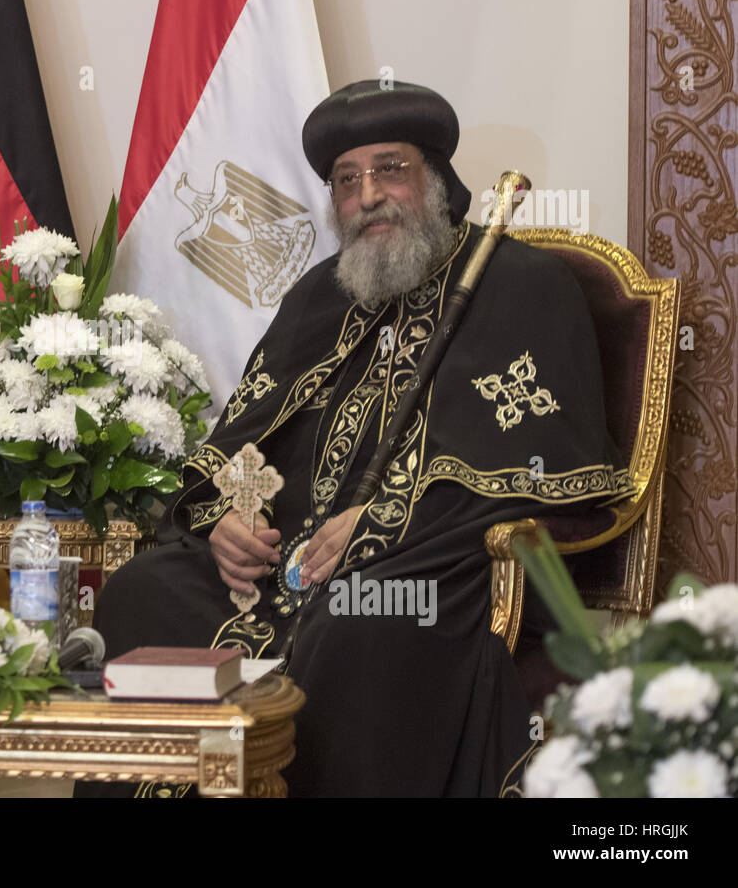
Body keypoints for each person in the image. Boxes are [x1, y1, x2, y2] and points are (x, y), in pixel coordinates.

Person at [81, 80, 631, 797]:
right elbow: (248, 437)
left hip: (430, 567)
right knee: (141, 591)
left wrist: (384, 521)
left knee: (357, 617)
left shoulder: (525, 284)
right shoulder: (318, 296)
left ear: (435, 179)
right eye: (347, 180)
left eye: (389, 169)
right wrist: (229, 518)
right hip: (279, 575)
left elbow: (547, 461)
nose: (367, 194)